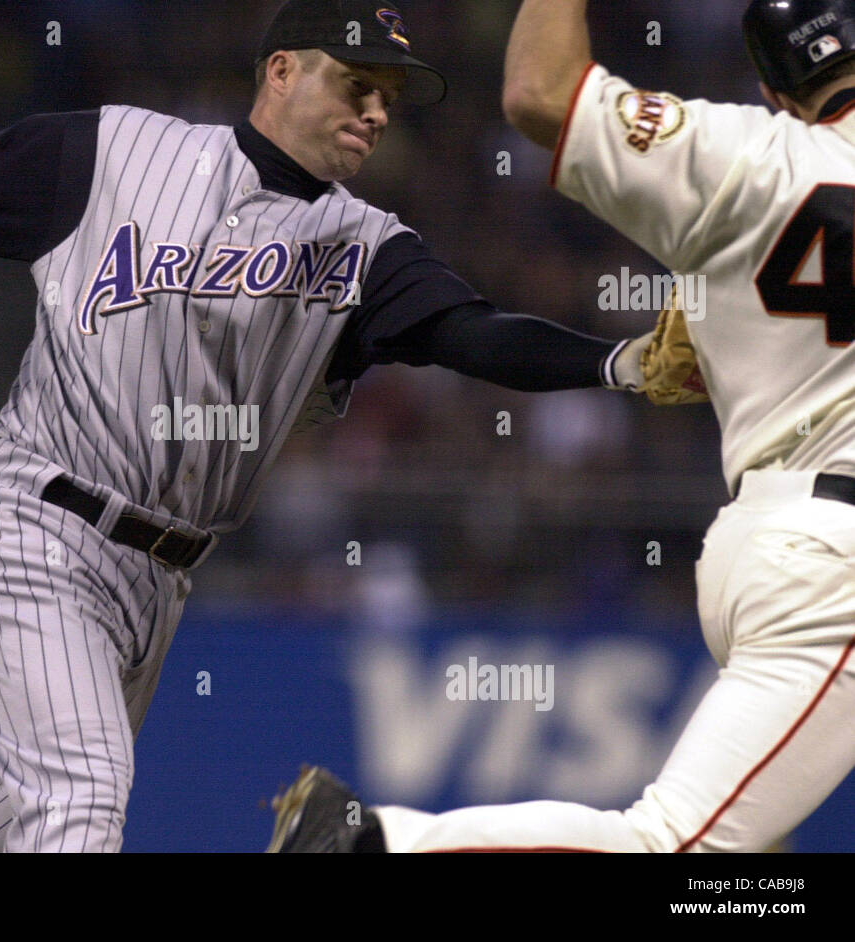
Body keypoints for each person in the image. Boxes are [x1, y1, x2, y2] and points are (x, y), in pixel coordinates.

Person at [0, 0, 653, 853]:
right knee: (82, 794)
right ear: (281, 71)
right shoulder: (118, 151)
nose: (374, 110)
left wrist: (615, 363)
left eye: (389, 97)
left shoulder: (366, 246)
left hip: (154, 582)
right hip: (28, 531)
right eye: (356, 83)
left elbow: (474, 334)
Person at [268, 0, 855, 853]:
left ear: (773, 87)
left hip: (780, 539)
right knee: (677, 848)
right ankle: (375, 844)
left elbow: (541, 91)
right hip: (831, 562)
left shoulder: (747, 153)